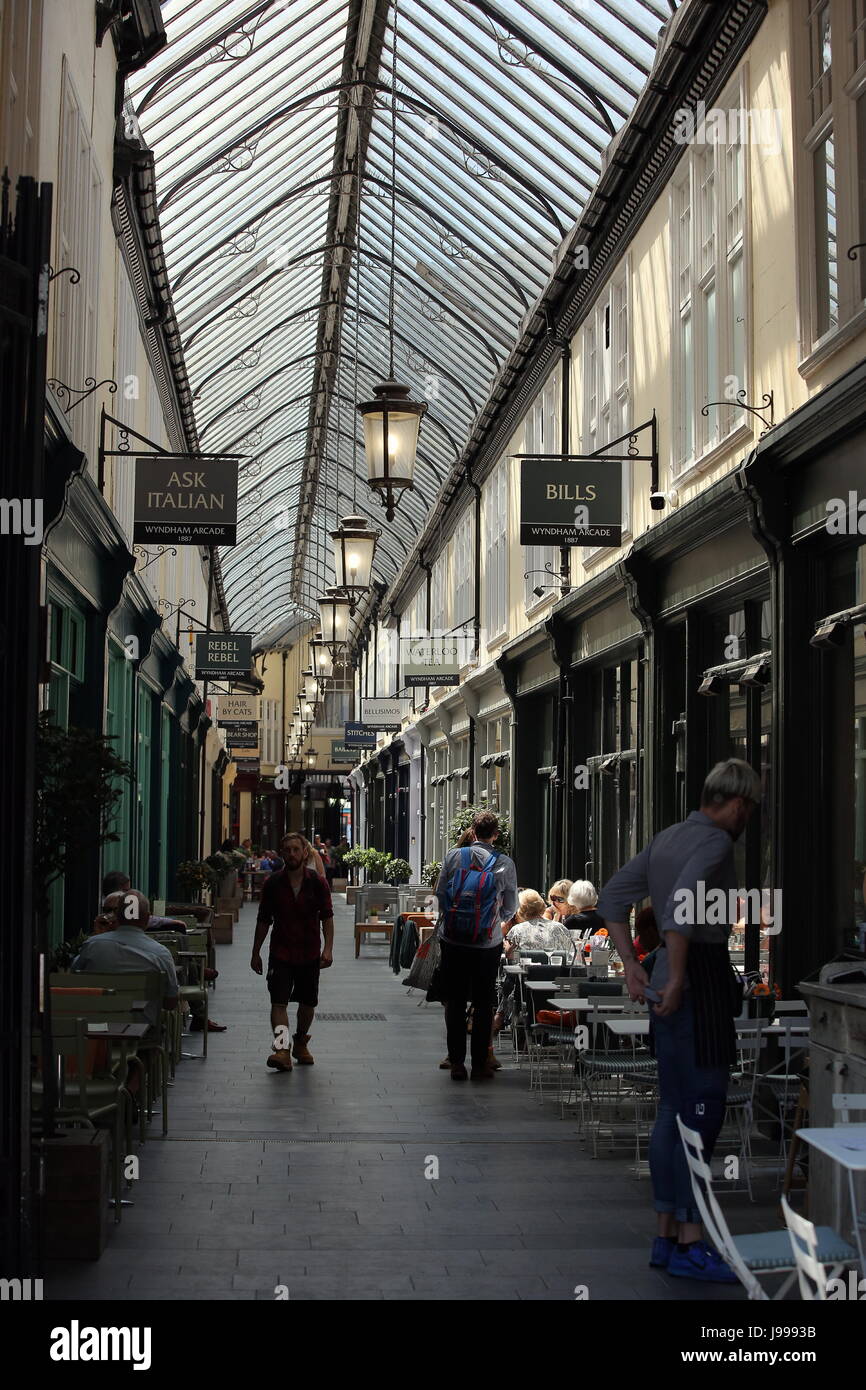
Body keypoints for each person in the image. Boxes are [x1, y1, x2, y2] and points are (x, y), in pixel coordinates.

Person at [596, 757, 761, 1284]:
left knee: (672, 1109)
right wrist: (677, 977)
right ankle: (691, 1241)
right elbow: (683, 910)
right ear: (737, 804)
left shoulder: (667, 837)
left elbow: (613, 898)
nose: (748, 819)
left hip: (670, 978)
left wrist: (632, 966)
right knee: (702, 1112)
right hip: (698, 984)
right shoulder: (716, 842)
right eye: (750, 809)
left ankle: (667, 1235)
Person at [434, 812, 518, 1081]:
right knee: (484, 1003)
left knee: (455, 1002)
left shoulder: (454, 856)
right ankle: (480, 1064)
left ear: (472, 831)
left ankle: (457, 1063)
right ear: (495, 834)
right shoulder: (504, 863)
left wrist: (452, 920)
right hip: (486, 943)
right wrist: (493, 922)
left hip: (454, 941)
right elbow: (511, 906)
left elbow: (439, 893)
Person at [97, 871, 225, 1031]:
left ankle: (194, 969)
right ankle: (194, 969)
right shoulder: (157, 952)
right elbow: (170, 1002)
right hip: (144, 1028)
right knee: (178, 945)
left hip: (97, 1028)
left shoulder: (91, 947)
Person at [251, 831, 334, 1072]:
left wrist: (328, 948)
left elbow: (327, 918)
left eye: (296, 849)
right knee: (278, 1002)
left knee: (308, 1004)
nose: (292, 854)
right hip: (281, 951)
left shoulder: (318, 883)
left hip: (309, 952)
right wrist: (255, 952)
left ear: (305, 852)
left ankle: (300, 1040)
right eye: (287, 850)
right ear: (281, 853)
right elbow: (263, 920)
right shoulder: (273, 883)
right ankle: (282, 1049)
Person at [73, 890, 178, 1030]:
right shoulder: (161, 954)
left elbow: (74, 976)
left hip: (97, 1028)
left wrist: (97, 936)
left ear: (117, 916)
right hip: (141, 1029)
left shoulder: (93, 945)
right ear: (147, 918)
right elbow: (170, 1002)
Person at [503, 890, 575, 960]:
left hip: (528, 971)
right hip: (557, 970)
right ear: (541, 905)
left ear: (520, 910)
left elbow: (511, 957)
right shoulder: (560, 928)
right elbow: (571, 954)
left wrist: (507, 950)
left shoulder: (517, 930)